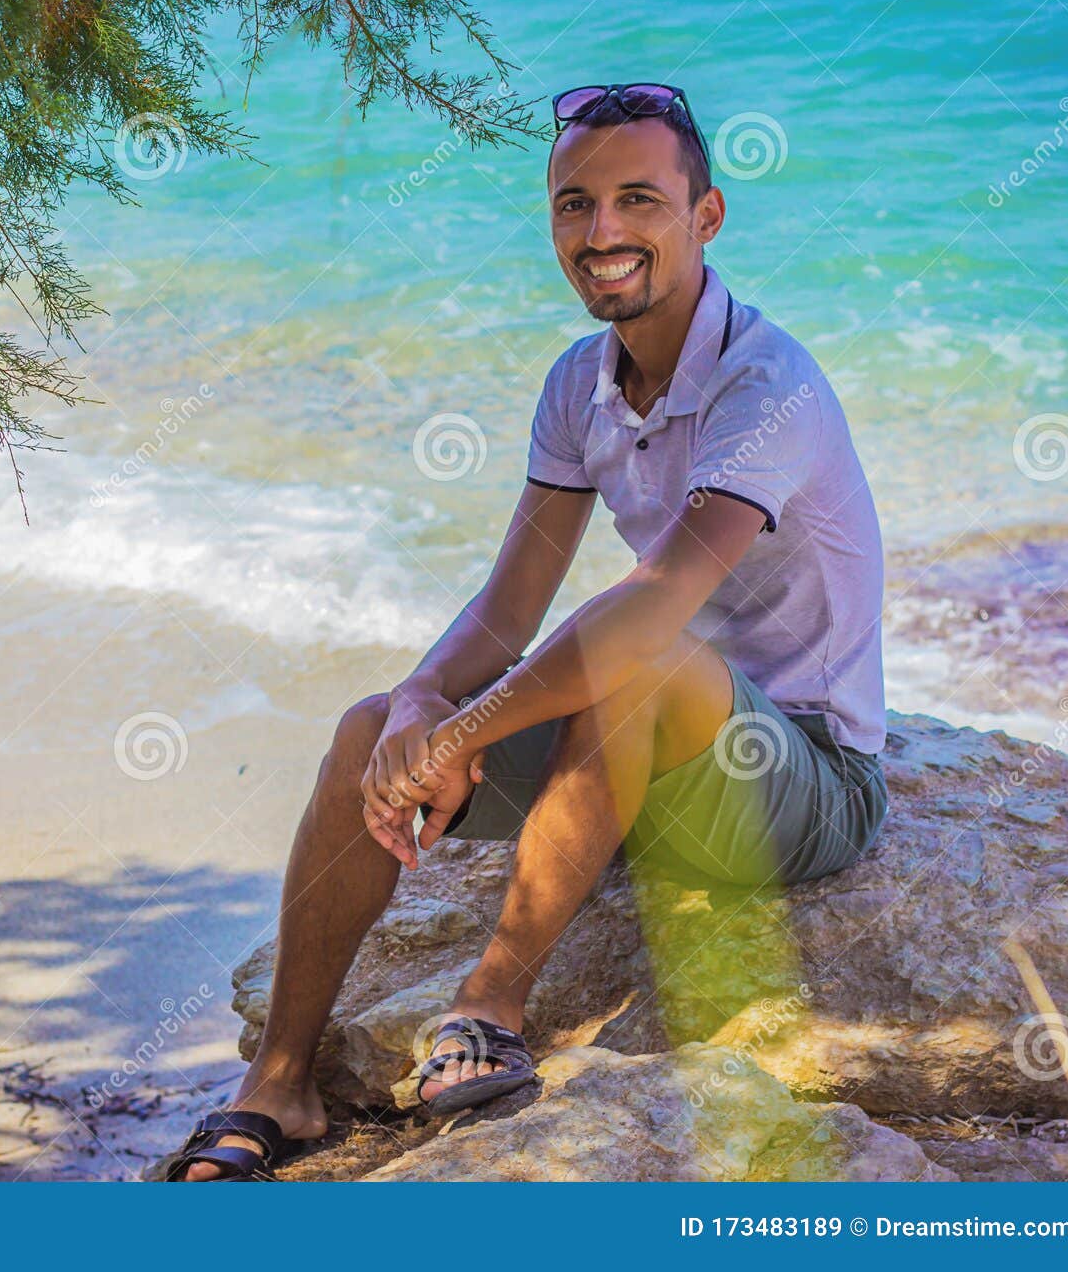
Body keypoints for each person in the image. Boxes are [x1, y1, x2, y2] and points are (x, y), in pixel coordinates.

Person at [159, 83, 888, 1182]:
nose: (601, 234)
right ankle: (279, 1086)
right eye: (573, 205)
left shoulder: (766, 385)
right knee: (365, 733)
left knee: (640, 658)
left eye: (638, 200)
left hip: (801, 781)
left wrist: (468, 734)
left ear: (706, 217)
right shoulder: (576, 385)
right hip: (646, 775)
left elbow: (651, 607)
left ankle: (487, 1011)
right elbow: (508, 609)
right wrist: (417, 710)